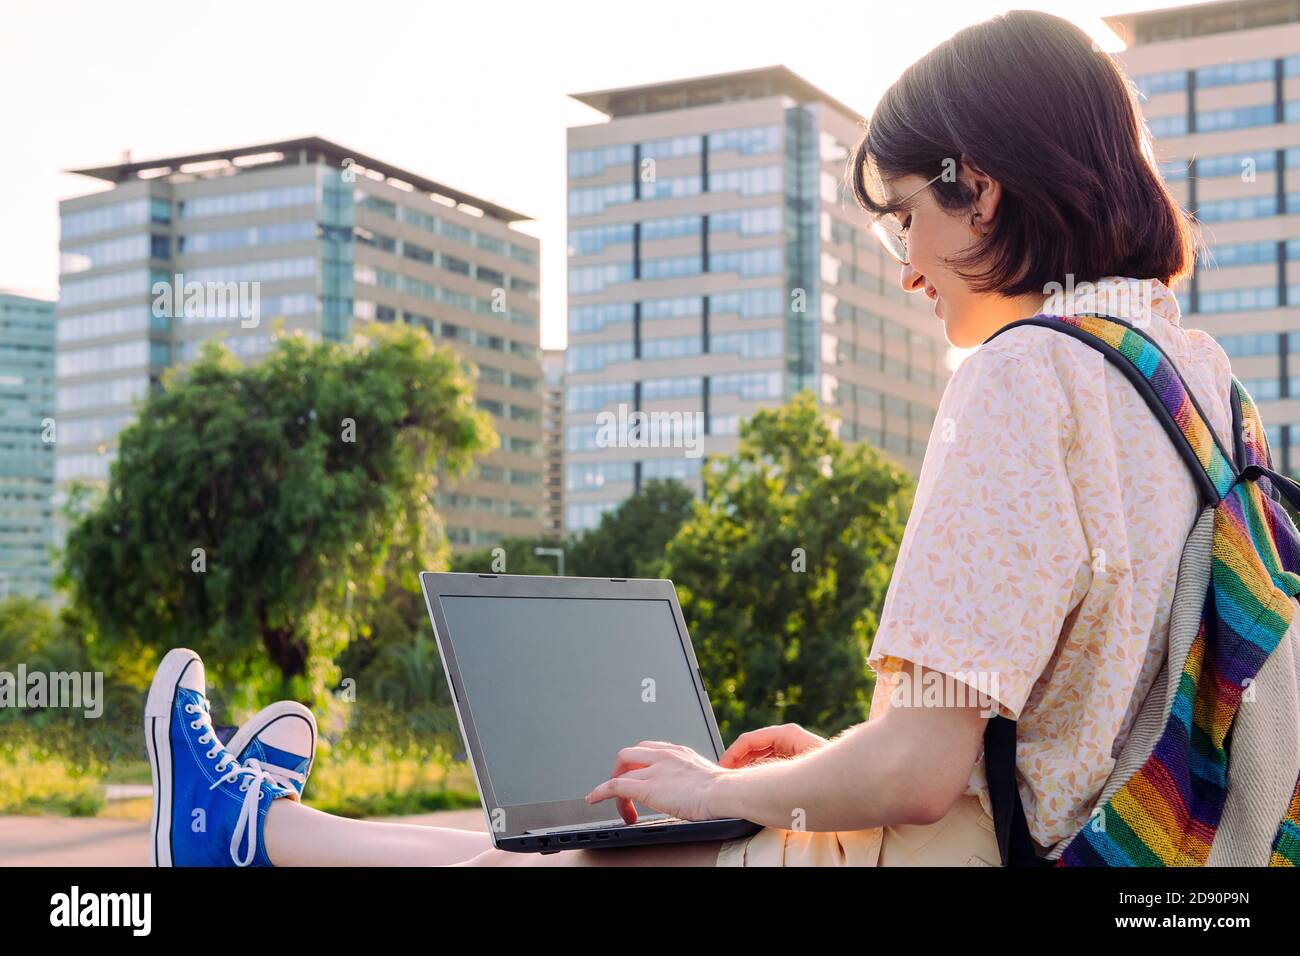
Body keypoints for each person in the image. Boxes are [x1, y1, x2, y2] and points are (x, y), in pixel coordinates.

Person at [145, 8, 1232, 867]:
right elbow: (1066, 727)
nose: (905, 263)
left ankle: (243, 832)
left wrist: (719, 788)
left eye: (905, 214)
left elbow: (911, 772)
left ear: (980, 189)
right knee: (572, 840)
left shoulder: (1024, 373)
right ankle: (257, 825)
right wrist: (827, 767)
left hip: (977, 853)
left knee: (587, 859)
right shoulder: (1201, 383)